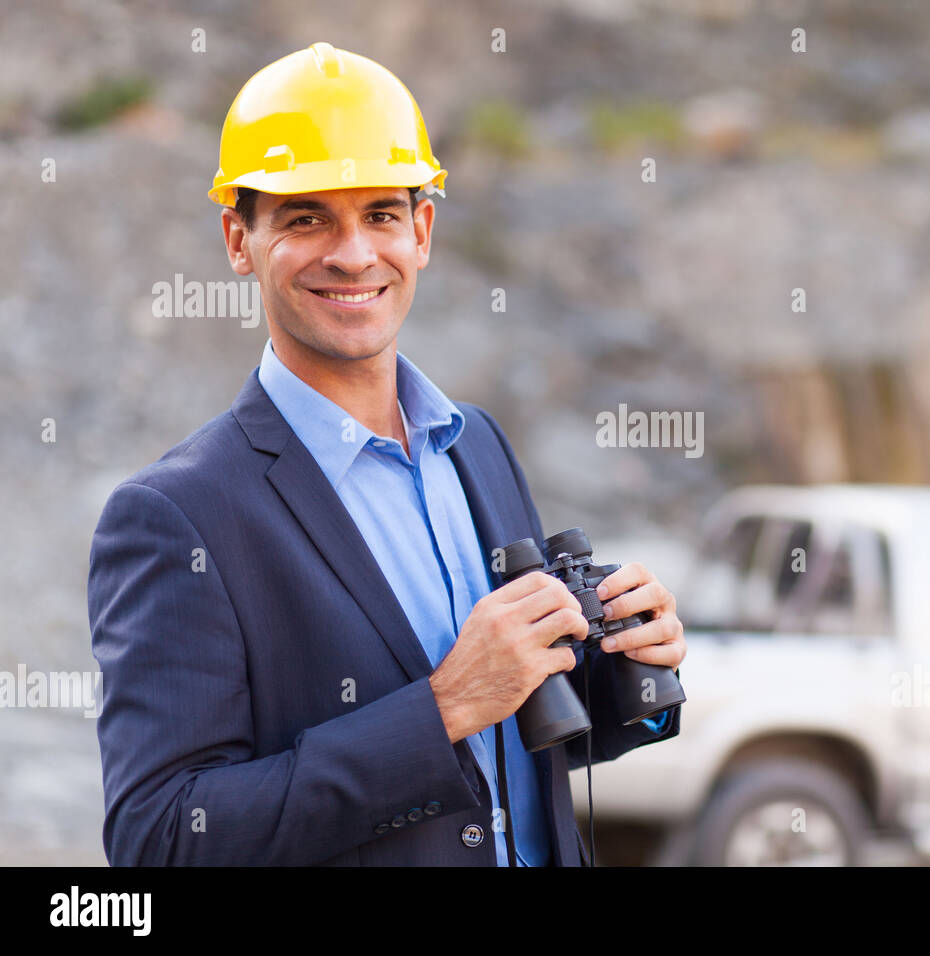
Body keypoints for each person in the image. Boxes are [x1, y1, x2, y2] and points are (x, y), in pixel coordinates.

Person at [87, 42, 685, 866]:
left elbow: (513, 755)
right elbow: (161, 837)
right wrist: (441, 708)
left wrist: (625, 673)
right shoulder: (176, 517)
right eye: (306, 218)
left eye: (380, 215)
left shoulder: (477, 447)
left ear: (423, 229)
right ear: (238, 239)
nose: (354, 254)